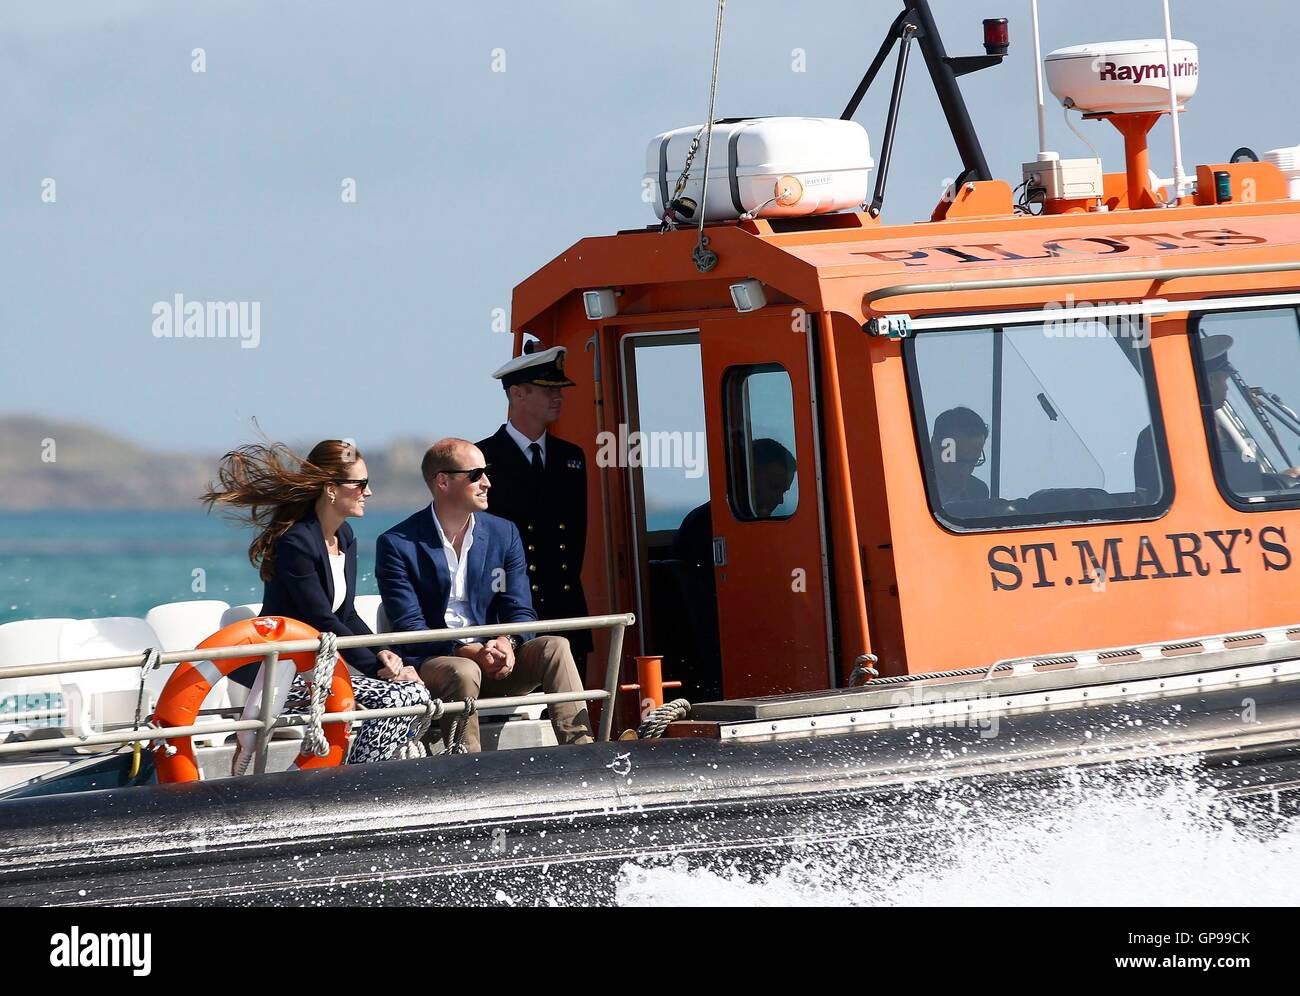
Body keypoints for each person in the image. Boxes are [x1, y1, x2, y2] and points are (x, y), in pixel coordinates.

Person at [202, 440, 432, 767]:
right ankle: (360, 781)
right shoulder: (295, 541)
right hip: (277, 671)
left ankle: (361, 775)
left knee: (414, 694)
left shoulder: (346, 536)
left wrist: (386, 653)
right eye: (360, 484)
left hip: (317, 668)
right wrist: (378, 668)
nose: (369, 492)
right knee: (398, 695)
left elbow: (346, 614)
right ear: (331, 489)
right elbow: (320, 618)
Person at [376, 437, 595, 753]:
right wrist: (468, 651)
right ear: (443, 481)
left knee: (556, 647)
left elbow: (521, 609)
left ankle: (584, 753)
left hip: (495, 662)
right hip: (437, 664)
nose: (487, 482)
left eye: (486, 472)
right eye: (476, 475)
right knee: (463, 670)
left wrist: (508, 643)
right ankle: (468, 770)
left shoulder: (504, 533)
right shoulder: (397, 543)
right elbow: (412, 630)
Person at [477, 346, 593, 663]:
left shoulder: (571, 457)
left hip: (565, 604)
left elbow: (575, 536)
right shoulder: (483, 458)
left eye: (559, 390)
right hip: (511, 609)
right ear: (517, 394)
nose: (558, 397)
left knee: (576, 708)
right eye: (547, 389)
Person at [930, 407, 991, 505]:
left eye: (973, 462)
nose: (965, 471)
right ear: (934, 446)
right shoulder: (906, 485)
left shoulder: (978, 491)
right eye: (957, 460)